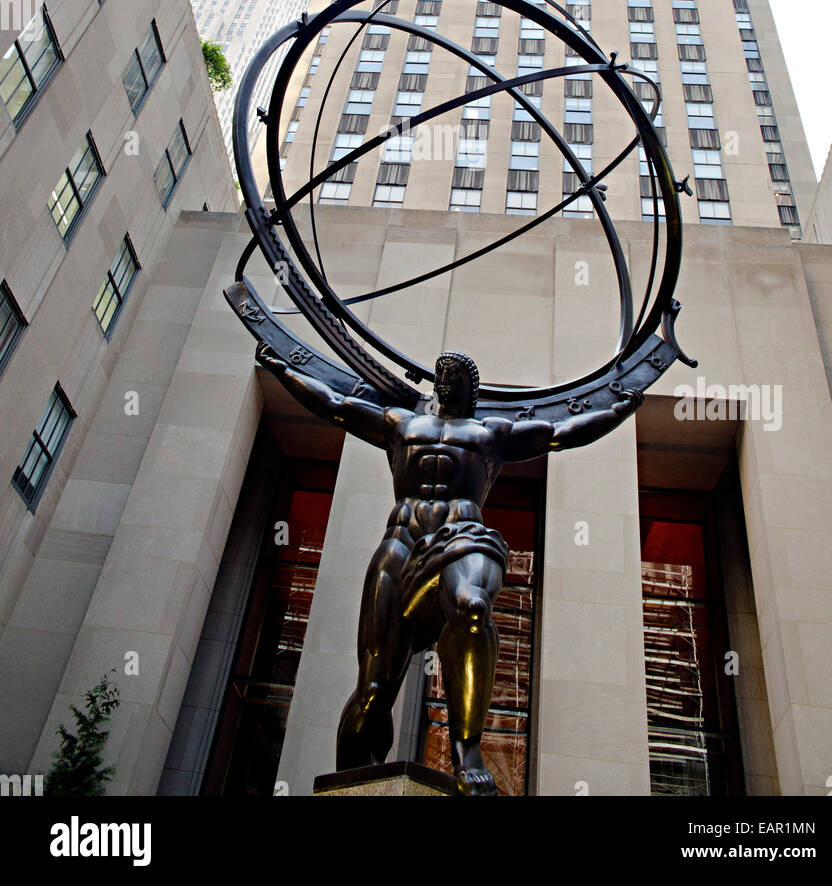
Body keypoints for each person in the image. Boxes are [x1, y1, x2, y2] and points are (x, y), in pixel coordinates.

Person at [256, 341, 641, 796]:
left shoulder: (490, 433)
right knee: (374, 689)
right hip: (400, 545)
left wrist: (621, 405)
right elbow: (335, 406)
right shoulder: (402, 423)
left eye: (454, 379)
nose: (444, 384)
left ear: (469, 390)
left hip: (461, 539)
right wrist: (282, 369)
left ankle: (466, 749)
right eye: (440, 377)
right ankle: (351, 779)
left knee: (473, 606)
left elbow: (561, 432)